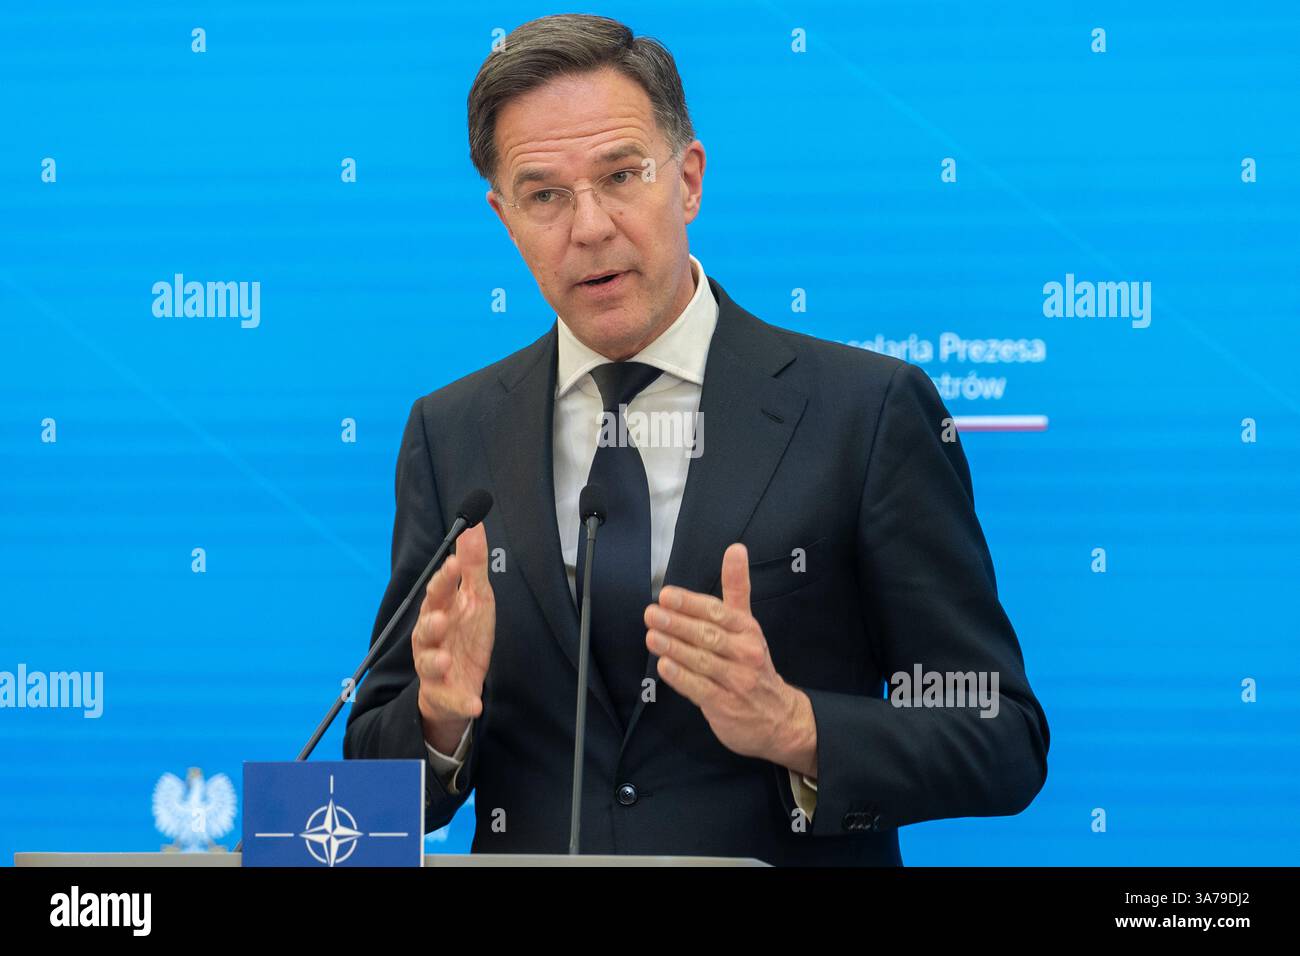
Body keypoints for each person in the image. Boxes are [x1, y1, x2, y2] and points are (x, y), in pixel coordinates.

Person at [343, 13, 1049, 865]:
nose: (591, 226)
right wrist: (439, 717)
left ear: (688, 180)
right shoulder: (451, 433)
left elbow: (1000, 736)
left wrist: (796, 726)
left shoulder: (864, 412)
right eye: (545, 195)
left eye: (621, 175)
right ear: (504, 216)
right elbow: (372, 784)